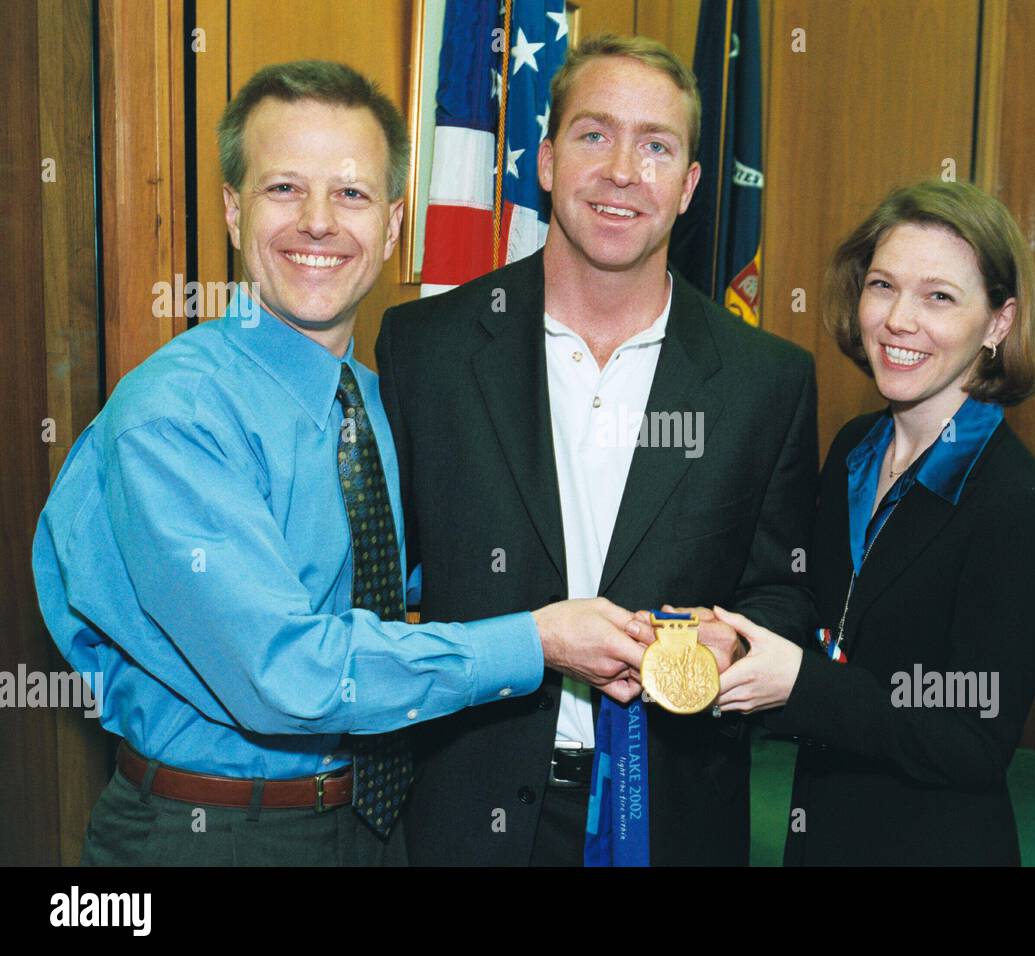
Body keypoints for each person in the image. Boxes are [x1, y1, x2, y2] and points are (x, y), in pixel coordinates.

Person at [31, 60, 646, 867]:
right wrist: (534, 641)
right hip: (211, 834)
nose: (318, 223)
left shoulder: (380, 402)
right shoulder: (174, 418)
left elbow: (414, 581)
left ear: (392, 227)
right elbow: (286, 673)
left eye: (351, 194)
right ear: (230, 208)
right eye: (284, 188)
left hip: (375, 821)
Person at [377, 34, 819, 866]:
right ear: (545, 162)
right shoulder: (424, 349)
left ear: (689, 186)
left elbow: (785, 594)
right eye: (594, 135)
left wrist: (733, 644)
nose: (623, 170)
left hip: (675, 813)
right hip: (466, 810)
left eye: (656, 146)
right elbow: (381, 585)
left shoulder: (768, 381)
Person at [712, 180, 1035, 865]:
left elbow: (973, 742)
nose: (899, 320)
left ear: (998, 323)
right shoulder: (854, 446)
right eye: (883, 286)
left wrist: (802, 685)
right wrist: (734, 642)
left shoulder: (1018, 508)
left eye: (940, 296)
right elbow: (829, 626)